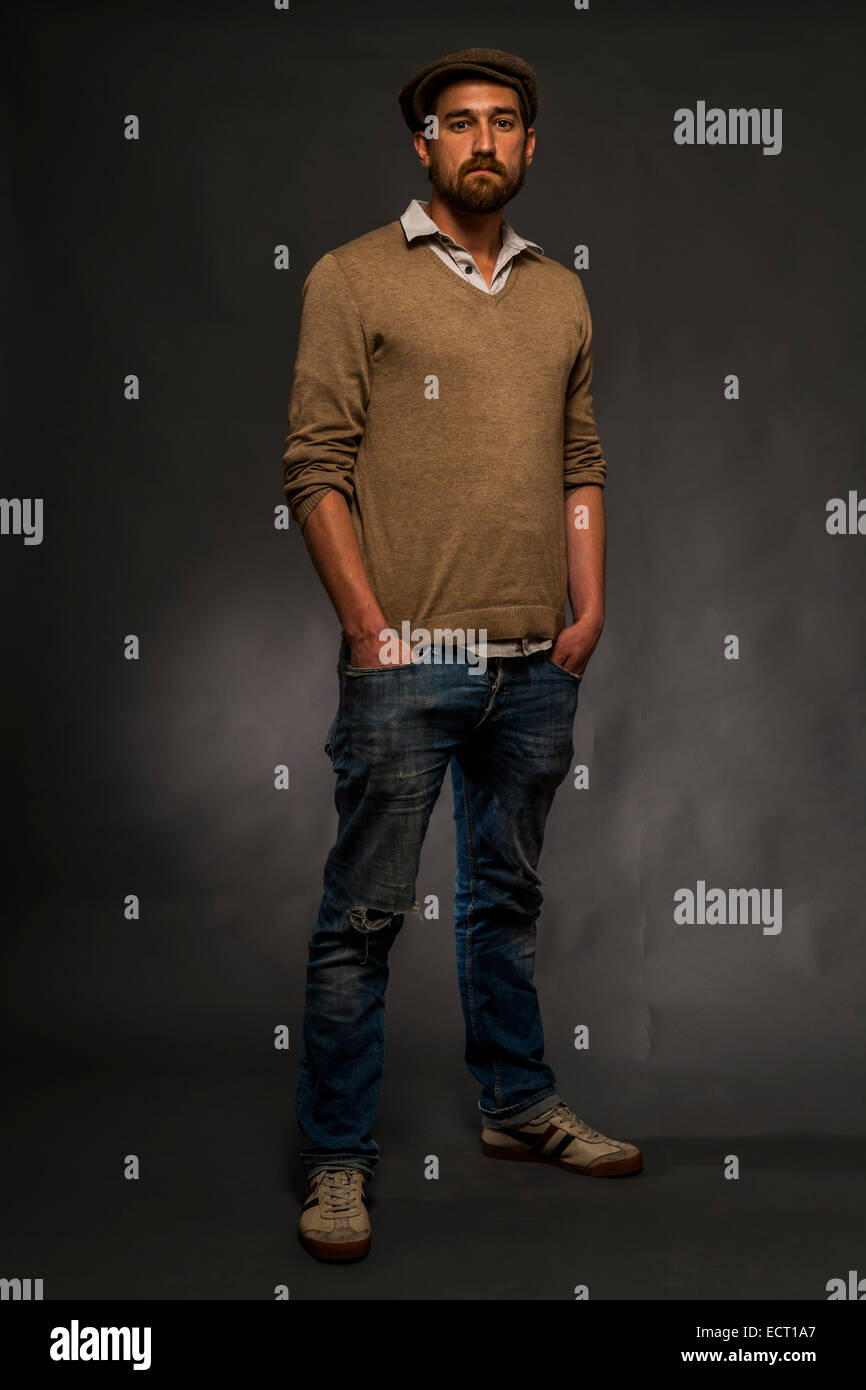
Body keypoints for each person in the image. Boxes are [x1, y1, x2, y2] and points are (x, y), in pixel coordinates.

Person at [282, 46, 642, 1264]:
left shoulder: (560, 292)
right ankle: (336, 1163)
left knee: (505, 901)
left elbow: (578, 461)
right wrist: (368, 628)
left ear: (529, 147)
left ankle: (516, 1104)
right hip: (407, 662)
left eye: (503, 123)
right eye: (457, 123)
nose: (481, 140)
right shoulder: (349, 277)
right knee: (363, 922)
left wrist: (586, 607)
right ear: (421, 145)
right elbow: (314, 470)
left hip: (539, 663)